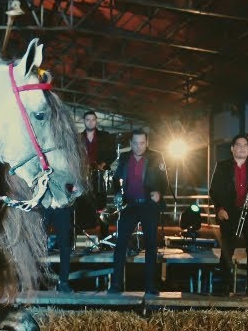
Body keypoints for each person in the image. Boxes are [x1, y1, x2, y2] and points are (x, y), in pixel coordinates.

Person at [107, 130, 167, 295]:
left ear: (147, 143)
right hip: (129, 206)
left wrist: (159, 193)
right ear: (130, 143)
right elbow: (116, 180)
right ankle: (116, 285)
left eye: (142, 143)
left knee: (151, 246)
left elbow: (164, 182)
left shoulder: (156, 157)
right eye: (135, 143)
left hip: (149, 205)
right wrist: (118, 193)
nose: (138, 146)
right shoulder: (125, 157)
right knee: (120, 246)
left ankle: (150, 286)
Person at [208, 135, 248, 297]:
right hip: (229, 214)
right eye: (238, 145)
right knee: (227, 251)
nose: (242, 148)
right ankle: (223, 288)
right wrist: (219, 209)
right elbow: (214, 191)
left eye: (245, 145)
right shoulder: (222, 166)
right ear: (232, 148)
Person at [75, 110, 117, 247]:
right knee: (80, 204)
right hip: (82, 176)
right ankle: (76, 239)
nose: (90, 122)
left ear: (96, 121)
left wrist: (103, 164)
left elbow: (113, 154)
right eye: (88, 120)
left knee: (101, 207)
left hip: (99, 175)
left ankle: (104, 238)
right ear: (84, 121)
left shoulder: (105, 136)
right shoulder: (78, 138)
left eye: (93, 120)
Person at [40, 206, 75, 292]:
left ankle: (63, 283)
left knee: (65, 245)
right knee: (35, 241)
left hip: (62, 206)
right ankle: (30, 280)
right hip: (45, 204)